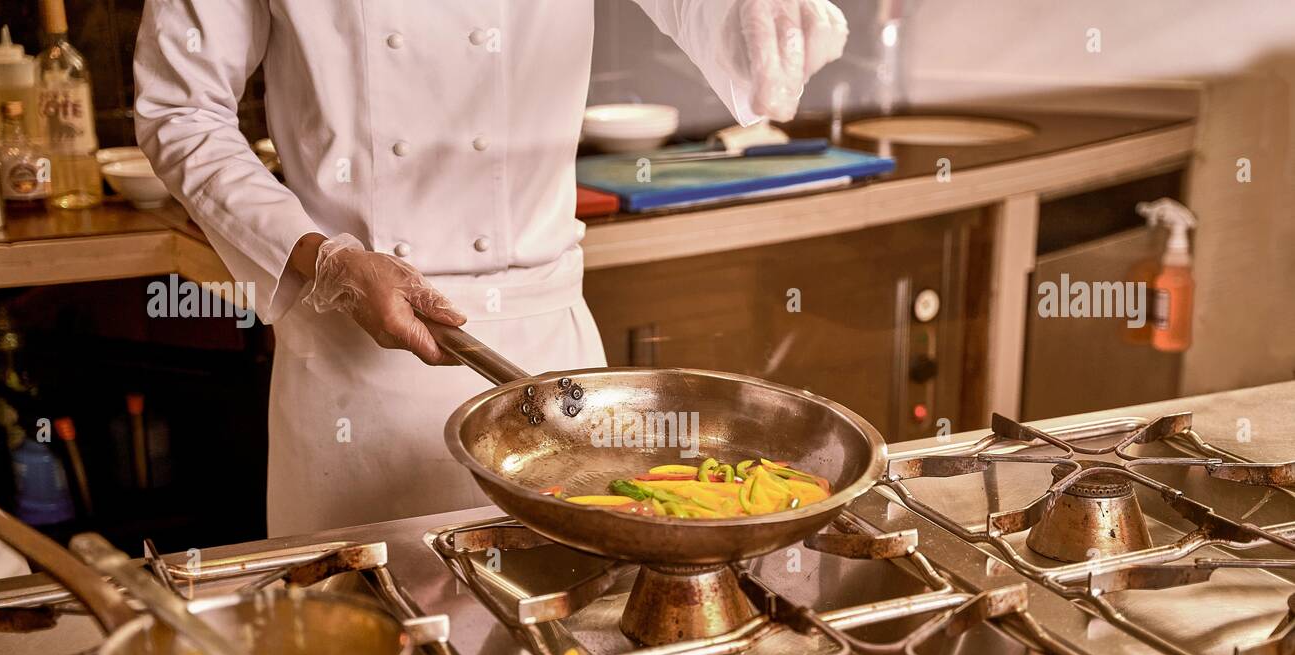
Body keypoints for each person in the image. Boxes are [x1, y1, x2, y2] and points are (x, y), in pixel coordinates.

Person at [134, 0, 848, 536]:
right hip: (356, 373)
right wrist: (330, 262)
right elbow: (181, 111)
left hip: (548, 364)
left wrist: (768, 13)